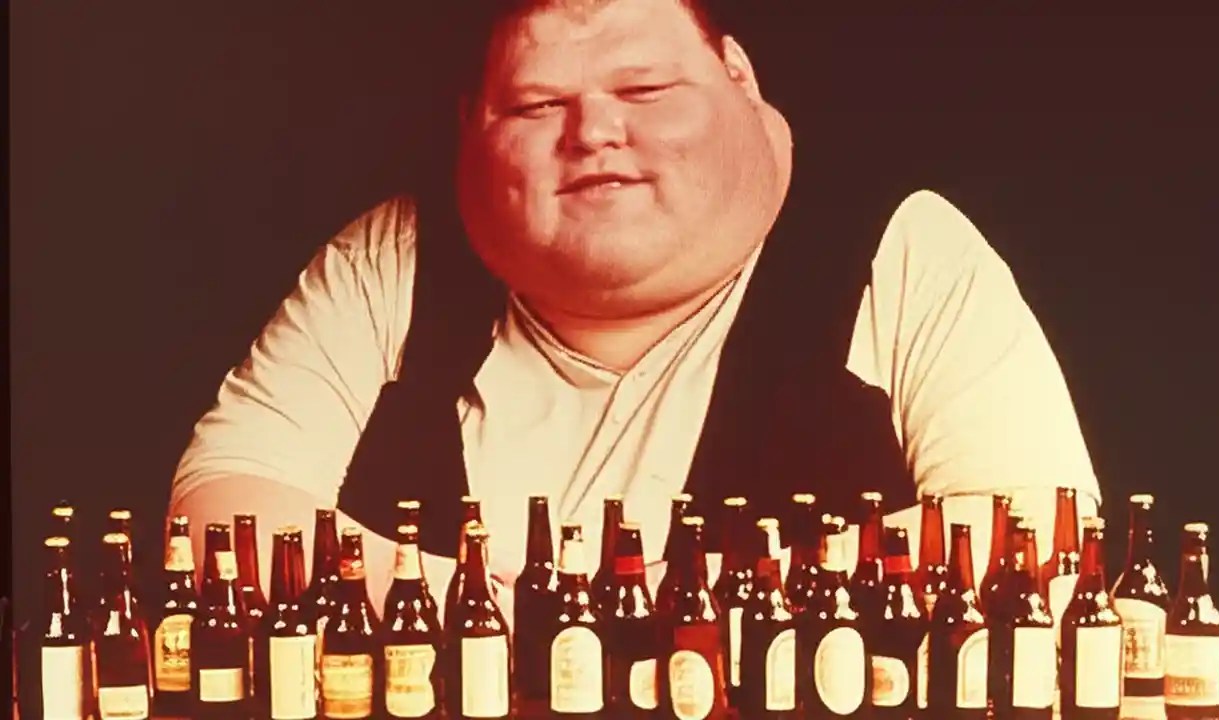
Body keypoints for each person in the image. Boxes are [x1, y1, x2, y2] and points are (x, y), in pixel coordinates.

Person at [169, 0, 1099, 618]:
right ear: (472, 127)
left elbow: (1039, 534)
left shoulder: (900, 246)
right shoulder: (394, 254)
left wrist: (668, 612)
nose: (595, 133)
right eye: (537, 105)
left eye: (645, 89)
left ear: (738, 74)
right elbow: (220, 512)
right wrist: (505, 621)